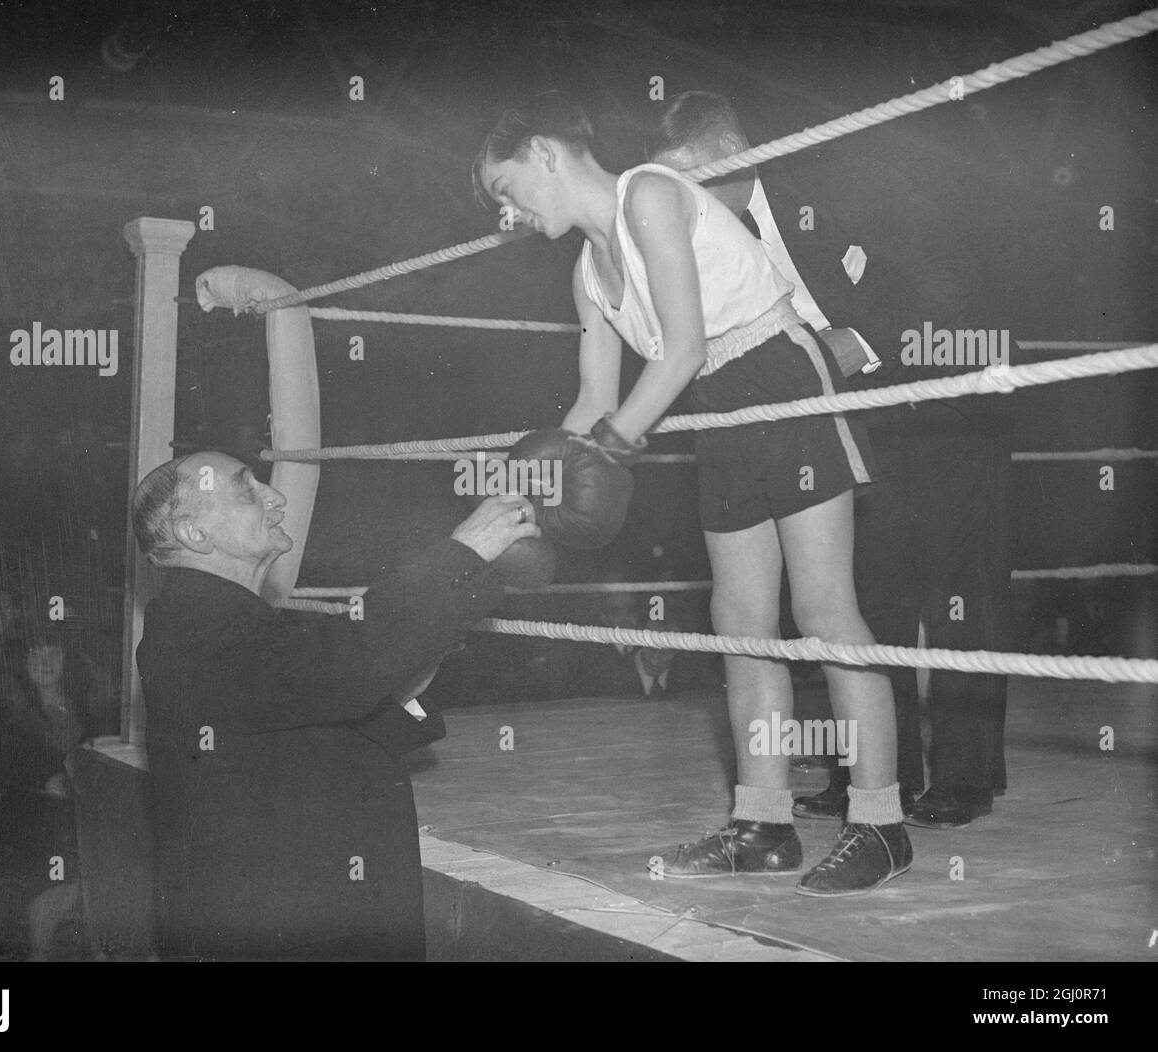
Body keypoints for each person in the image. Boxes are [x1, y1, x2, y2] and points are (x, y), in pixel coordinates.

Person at [476, 91, 909, 895]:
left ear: (544, 152)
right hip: (717, 408)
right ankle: (764, 823)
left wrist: (609, 453)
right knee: (738, 622)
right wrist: (524, 486)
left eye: (508, 189)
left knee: (824, 610)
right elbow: (594, 403)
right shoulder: (585, 276)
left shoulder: (648, 193)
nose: (511, 212)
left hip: (780, 376)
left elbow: (677, 353)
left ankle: (881, 823)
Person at [651, 91, 1013, 828]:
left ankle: (968, 776)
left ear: (729, 147)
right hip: (844, 418)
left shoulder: (841, 184)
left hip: (942, 403)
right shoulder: (700, 235)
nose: (677, 200)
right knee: (857, 595)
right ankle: (878, 778)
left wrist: (866, 340)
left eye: (687, 178)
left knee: (956, 590)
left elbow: (952, 271)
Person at [133, 451, 542, 959]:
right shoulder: (194, 629)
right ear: (196, 534)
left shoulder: (229, 627)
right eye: (247, 487)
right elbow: (344, 667)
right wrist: (461, 554)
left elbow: (332, 711)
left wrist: (458, 604)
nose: (275, 495)